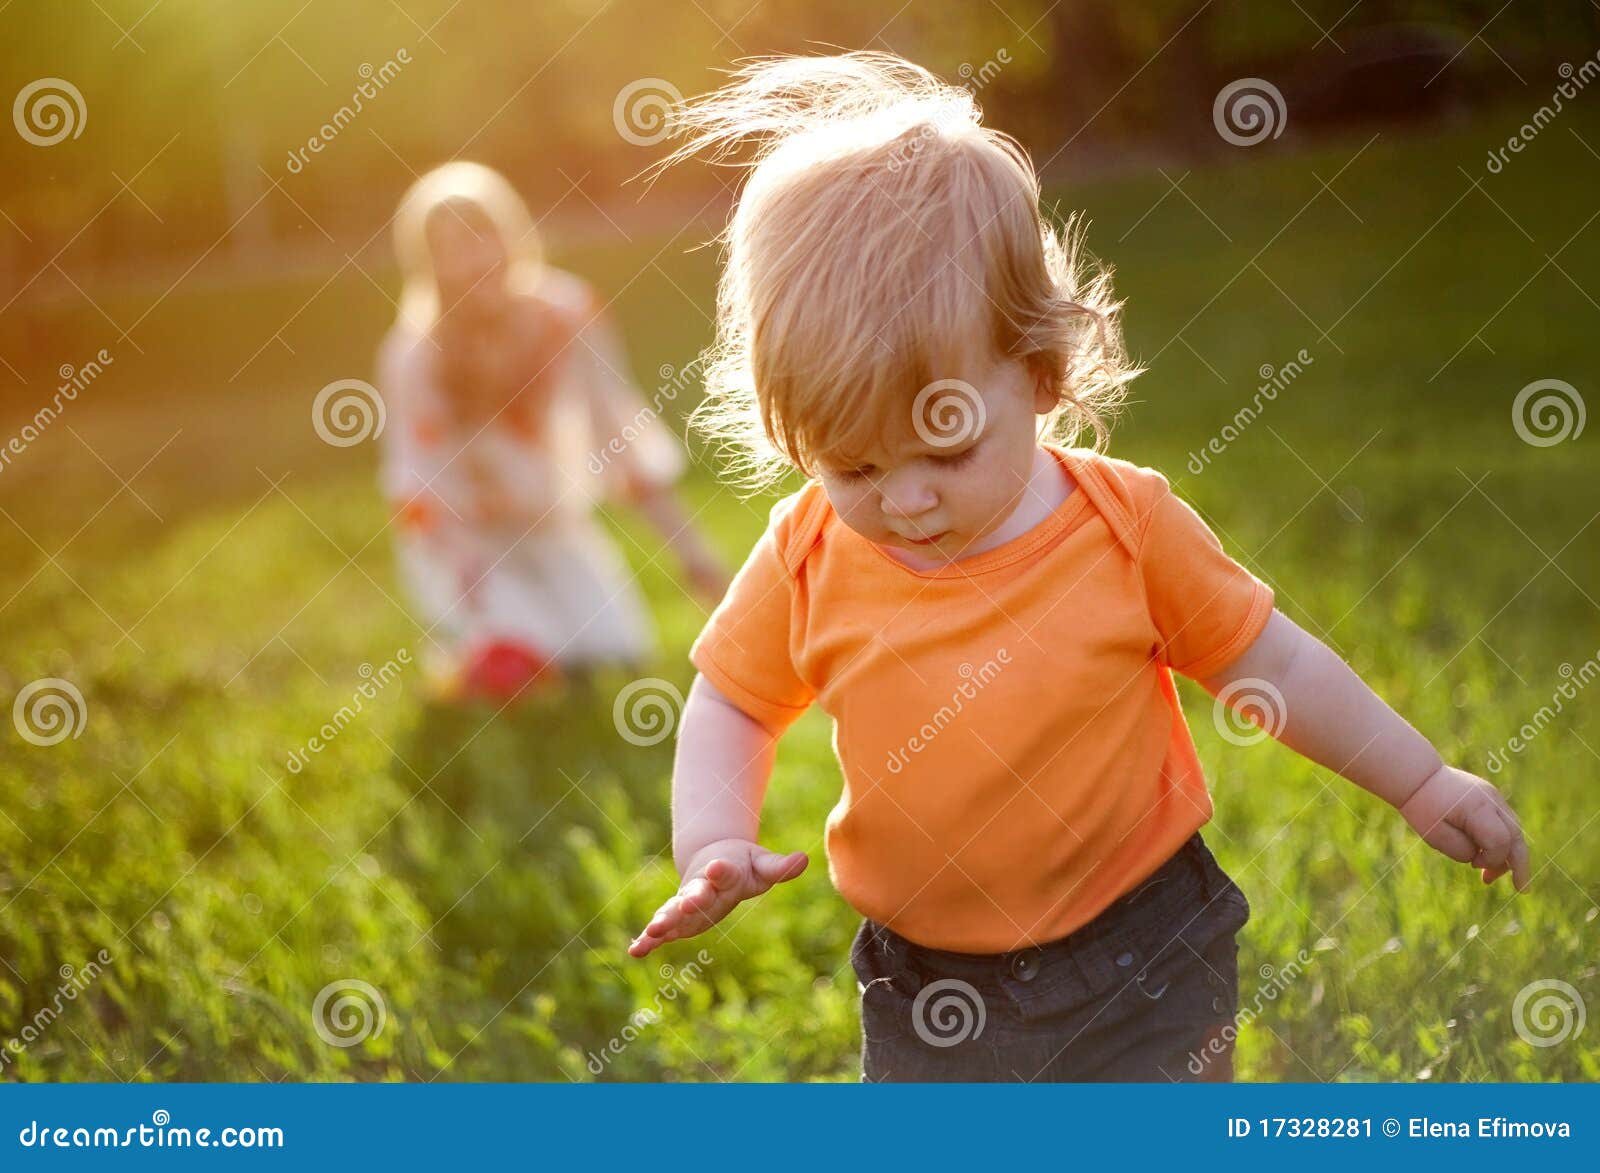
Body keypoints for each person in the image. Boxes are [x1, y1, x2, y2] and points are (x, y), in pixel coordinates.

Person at [625, 53, 1530, 1081]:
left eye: (948, 448)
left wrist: (1417, 778)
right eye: (854, 465)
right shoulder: (807, 549)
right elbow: (734, 702)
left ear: (1042, 370)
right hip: (930, 991)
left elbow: (1268, 667)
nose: (906, 500)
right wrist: (712, 838)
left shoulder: (1125, 526)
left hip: (1148, 952)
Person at [376, 161, 727, 701]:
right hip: (465, 545)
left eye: (484, 234)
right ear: (428, 263)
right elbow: (415, 480)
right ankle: (464, 654)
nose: (475, 260)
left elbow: (621, 438)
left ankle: (495, 646)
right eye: (451, 247)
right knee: (527, 665)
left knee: (613, 654)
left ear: (512, 232)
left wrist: (691, 552)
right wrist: (461, 557)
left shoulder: (569, 314)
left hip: (551, 529)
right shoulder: (415, 355)